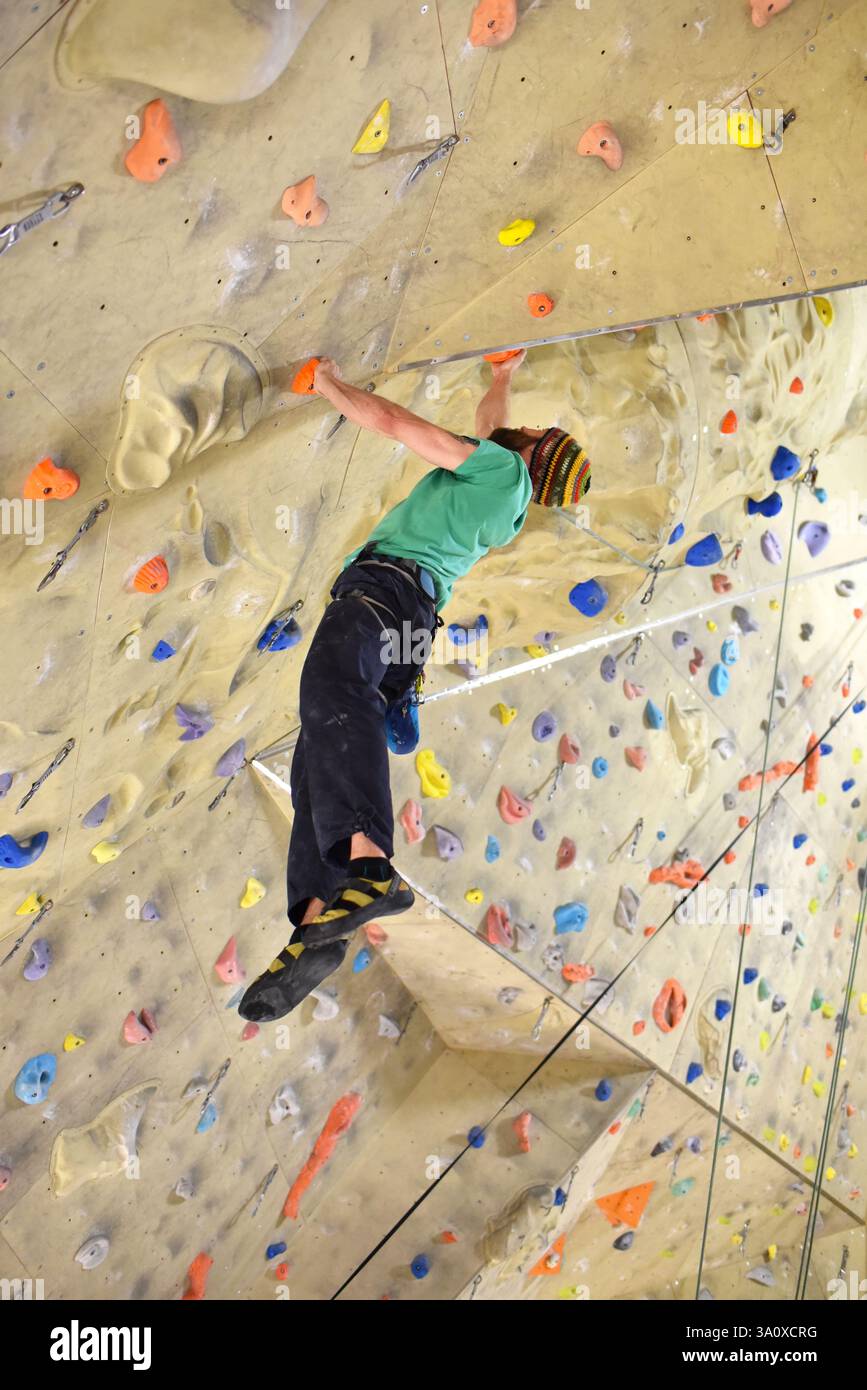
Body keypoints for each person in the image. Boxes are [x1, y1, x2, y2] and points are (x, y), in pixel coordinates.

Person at [239, 351, 590, 1022]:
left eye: (535, 434)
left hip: (385, 594)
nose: (524, 431)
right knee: (319, 742)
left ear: (536, 451)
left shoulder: (504, 469)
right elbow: (495, 433)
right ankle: (318, 914)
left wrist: (329, 385)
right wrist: (501, 378)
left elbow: (400, 425)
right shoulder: (511, 502)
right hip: (409, 618)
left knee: (334, 698)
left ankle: (371, 870)